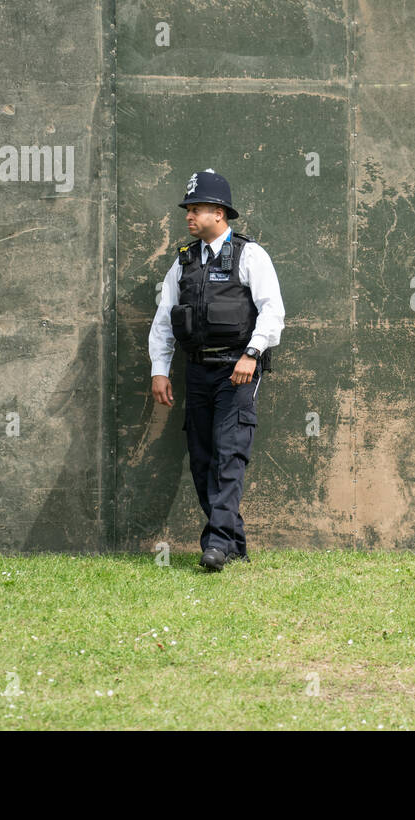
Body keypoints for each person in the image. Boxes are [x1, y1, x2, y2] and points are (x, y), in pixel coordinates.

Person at [148, 169, 285, 571]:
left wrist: (252, 354)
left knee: (229, 455)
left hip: (237, 372)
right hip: (198, 372)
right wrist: (160, 370)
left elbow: (273, 311)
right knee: (202, 459)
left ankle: (218, 544)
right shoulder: (184, 261)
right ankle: (234, 541)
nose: (189, 216)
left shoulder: (250, 255)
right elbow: (164, 319)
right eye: (188, 209)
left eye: (197, 208)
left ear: (220, 213)